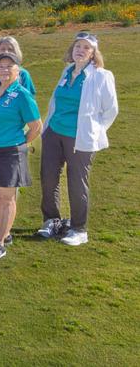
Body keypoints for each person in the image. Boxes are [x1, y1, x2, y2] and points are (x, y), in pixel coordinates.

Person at [39, 32, 118, 246]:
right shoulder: (67, 71)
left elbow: (111, 110)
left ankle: (79, 229)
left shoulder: (101, 76)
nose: (80, 50)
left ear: (93, 53)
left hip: (80, 138)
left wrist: (95, 130)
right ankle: (52, 220)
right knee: (48, 178)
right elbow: (56, 102)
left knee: (77, 182)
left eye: (86, 47)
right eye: (77, 46)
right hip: (54, 132)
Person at [0, 52, 42, 260]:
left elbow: (36, 127)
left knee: (6, 198)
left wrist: (19, 143)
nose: (4, 70)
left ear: (18, 70)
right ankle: (4, 232)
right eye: (1, 66)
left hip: (9, 152)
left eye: (9, 66)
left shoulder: (22, 95)